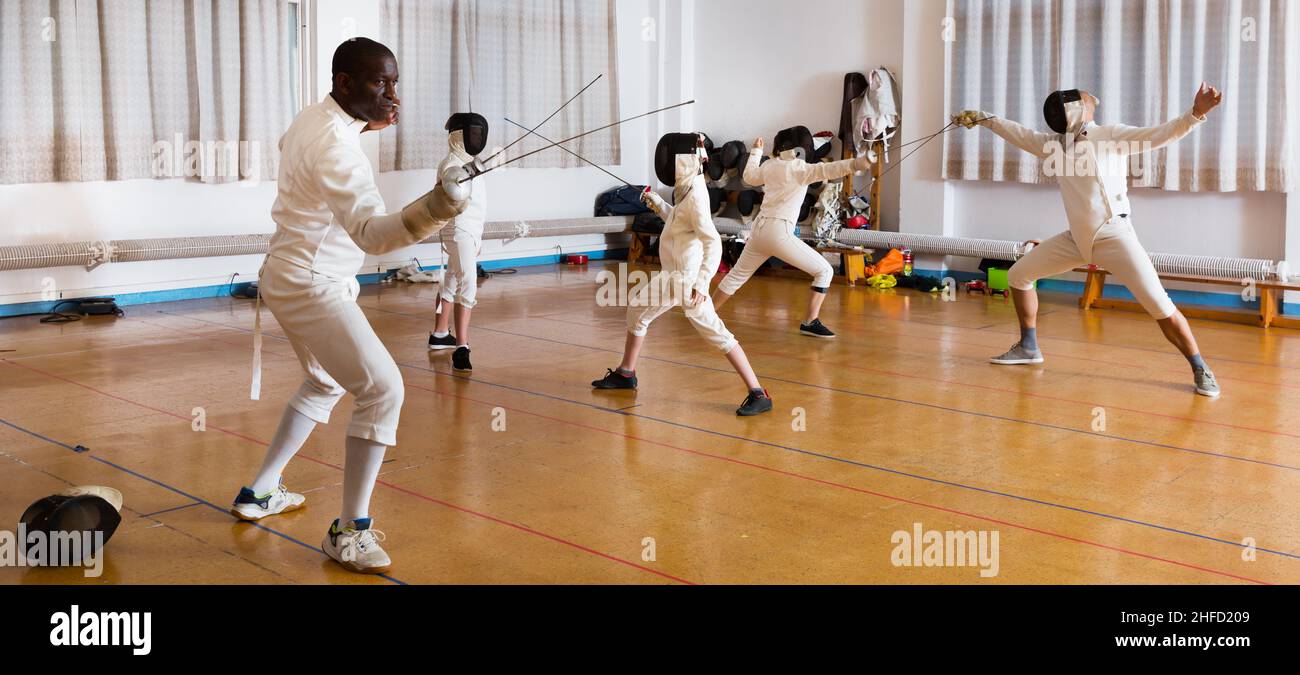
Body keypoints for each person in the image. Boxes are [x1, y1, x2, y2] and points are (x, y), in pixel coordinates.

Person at [231, 38, 468, 574]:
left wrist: (365, 121)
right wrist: (437, 206)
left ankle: (260, 492)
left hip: (285, 275)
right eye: (380, 84)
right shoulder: (336, 148)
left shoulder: (313, 120)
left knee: (324, 382)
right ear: (344, 83)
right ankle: (349, 532)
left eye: (395, 83)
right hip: (313, 285)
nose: (393, 97)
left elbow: (311, 150)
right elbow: (372, 237)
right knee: (383, 390)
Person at [955, 82, 1224, 397]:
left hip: (1113, 235)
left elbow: (1158, 135)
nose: (1090, 97)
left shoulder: (1107, 135)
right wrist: (986, 119)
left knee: (1159, 304)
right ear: (1074, 110)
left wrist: (1195, 115)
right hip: (1078, 239)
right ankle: (1028, 347)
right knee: (1018, 275)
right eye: (1084, 97)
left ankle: (1199, 367)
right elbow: (1019, 133)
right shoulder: (1054, 145)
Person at [592, 133, 772, 416]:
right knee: (637, 311)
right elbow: (680, 221)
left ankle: (758, 393)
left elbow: (712, 241)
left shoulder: (697, 197)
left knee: (717, 333)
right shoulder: (687, 187)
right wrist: (659, 205)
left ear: (684, 161)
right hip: (670, 277)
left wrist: (702, 283)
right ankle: (626, 373)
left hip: (687, 281)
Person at [712, 126, 871, 338]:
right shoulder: (799, 168)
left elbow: (749, 177)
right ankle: (810, 321)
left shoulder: (770, 165)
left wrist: (756, 151)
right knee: (825, 271)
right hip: (778, 233)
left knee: (737, 276)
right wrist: (857, 163)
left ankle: (707, 313)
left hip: (759, 230)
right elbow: (830, 170)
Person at [428, 113, 489, 373]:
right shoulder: (451, 164)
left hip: (470, 231)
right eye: (473, 133)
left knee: (452, 279)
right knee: (468, 283)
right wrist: (464, 173)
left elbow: (477, 204)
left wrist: (478, 236)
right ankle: (462, 347)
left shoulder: (470, 164)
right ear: (457, 136)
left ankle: (441, 333)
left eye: (479, 133)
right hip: (459, 231)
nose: (477, 138)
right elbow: (453, 192)